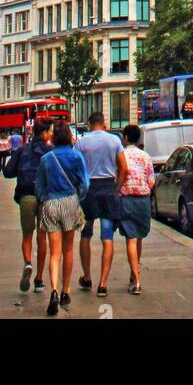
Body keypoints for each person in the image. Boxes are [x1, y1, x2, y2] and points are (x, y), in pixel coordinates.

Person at [35, 121, 89, 317]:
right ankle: (66, 290)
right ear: (69, 136)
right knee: (68, 249)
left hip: (50, 203)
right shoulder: (76, 156)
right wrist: (78, 197)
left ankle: (54, 291)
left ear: (53, 138)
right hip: (69, 201)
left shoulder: (46, 159)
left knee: (54, 252)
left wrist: (44, 200)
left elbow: (39, 188)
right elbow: (85, 183)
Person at [76, 112, 123, 297]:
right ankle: (103, 283)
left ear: (89, 124)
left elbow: (77, 168)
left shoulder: (81, 142)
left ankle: (87, 277)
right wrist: (117, 188)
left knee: (85, 234)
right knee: (107, 236)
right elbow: (124, 167)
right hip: (107, 189)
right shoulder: (114, 141)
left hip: (88, 191)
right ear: (104, 123)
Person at [4, 118, 52, 292]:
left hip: (26, 197)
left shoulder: (21, 150)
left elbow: (8, 172)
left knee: (26, 235)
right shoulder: (49, 151)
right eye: (49, 131)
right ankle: (39, 280)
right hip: (44, 198)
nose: (51, 134)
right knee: (42, 237)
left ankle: (28, 263)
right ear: (44, 133)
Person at [116, 124, 155, 295]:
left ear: (125, 138)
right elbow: (151, 180)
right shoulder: (145, 156)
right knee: (138, 237)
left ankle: (136, 280)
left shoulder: (122, 155)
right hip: (143, 200)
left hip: (127, 199)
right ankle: (134, 273)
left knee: (130, 238)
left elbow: (119, 174)